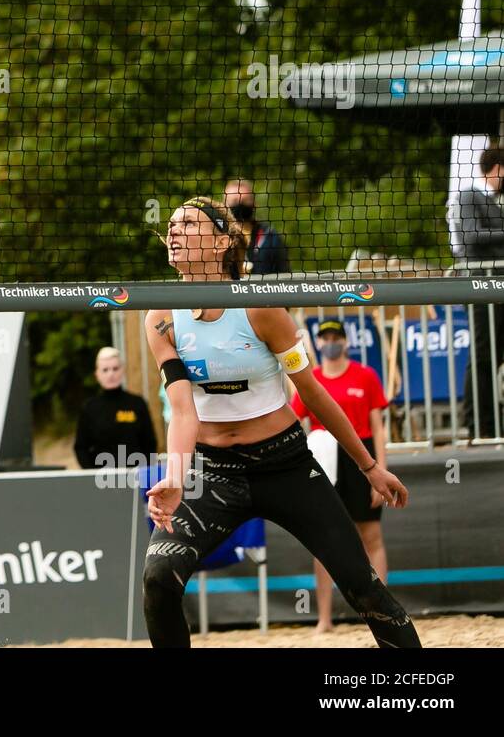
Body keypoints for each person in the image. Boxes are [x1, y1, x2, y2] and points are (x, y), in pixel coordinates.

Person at [141, 196, 419, 647]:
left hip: (285, 465)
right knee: (158, 578)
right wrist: (175, 476)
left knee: (363, 587)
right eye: (170, 225)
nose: (173, 231)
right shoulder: (159, 319)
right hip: (214, 473)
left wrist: (369, 466)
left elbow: (312, 392)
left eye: (188, 224)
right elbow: (184, 411)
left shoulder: (259, 307)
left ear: (220, 242)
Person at [289, 319, 391, 633]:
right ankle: (324, 618)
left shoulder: (366, 375)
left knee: (370, 536)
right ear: (318, 344)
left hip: (361, 456)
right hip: (324, 457)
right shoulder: (312, 378)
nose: (331, 342)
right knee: (325, 540)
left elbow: (377, 428)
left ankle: (383, 614)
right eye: (325, 337)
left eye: (336, 337)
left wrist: (381, 470)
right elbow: (294, 421)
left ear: (346, 342)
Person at [456, 144, 504, 439]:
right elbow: (472, 237)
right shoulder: (468, 196)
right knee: (484, 354)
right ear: (497, 169)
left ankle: (493, 421)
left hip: (498, 289)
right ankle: (478, 424)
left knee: (496, 355)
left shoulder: (496, 202)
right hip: (480, 287)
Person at [74, 347, 157, 469]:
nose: (111, 374)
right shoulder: (89, 408)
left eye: (115, 368)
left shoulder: (137, 404)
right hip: (100, 480)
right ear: (97, 374)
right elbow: (81, 447)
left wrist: (143, 472)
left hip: (135, 479)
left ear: (123, 370)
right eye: (105, 370)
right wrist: (92, 476)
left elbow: (150, 443)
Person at [224, 179, 289, 276]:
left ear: (254, 203)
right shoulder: (217, 236)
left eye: (245, 200)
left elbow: (285, 273)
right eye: (235, 201)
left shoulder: (270, 236)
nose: (240, 205)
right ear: (224, 205)